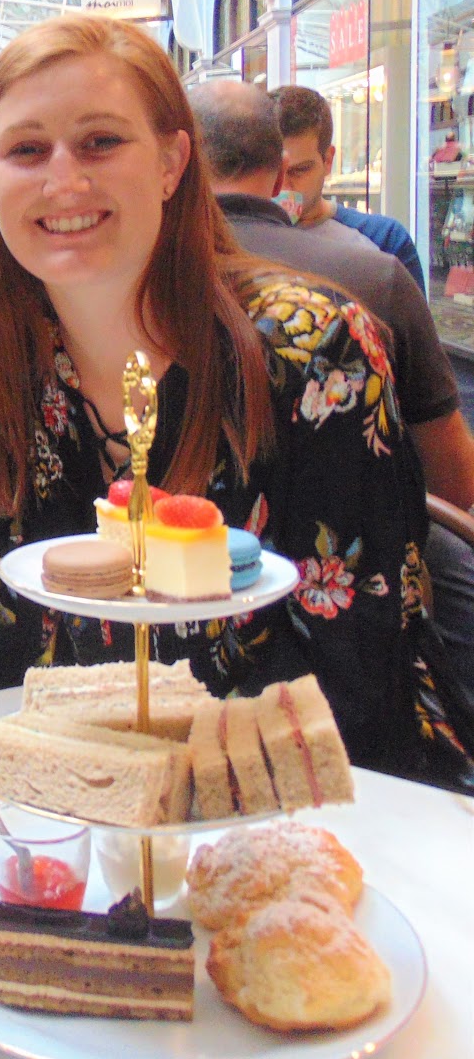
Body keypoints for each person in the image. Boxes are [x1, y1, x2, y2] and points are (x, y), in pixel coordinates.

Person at [0, 12, 471, 790]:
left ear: (171, 161)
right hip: (81, 806)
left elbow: (355, 679)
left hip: (312, 805)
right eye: (27, 150)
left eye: (100, 142)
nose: (64, 180)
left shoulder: (313, 352)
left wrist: (143, 786)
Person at [191, 79, 474, 722]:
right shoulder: (373, 271)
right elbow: (452, 480)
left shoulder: (142, 280)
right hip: (351, 643)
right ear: (277, 171)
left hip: (178, 606)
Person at [270, 84, 427, 292]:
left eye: (300, 170)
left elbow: (411, 324)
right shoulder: (238, 240)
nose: (285, 186)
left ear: (328, 161)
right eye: (274, 170)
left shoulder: (383, 239)